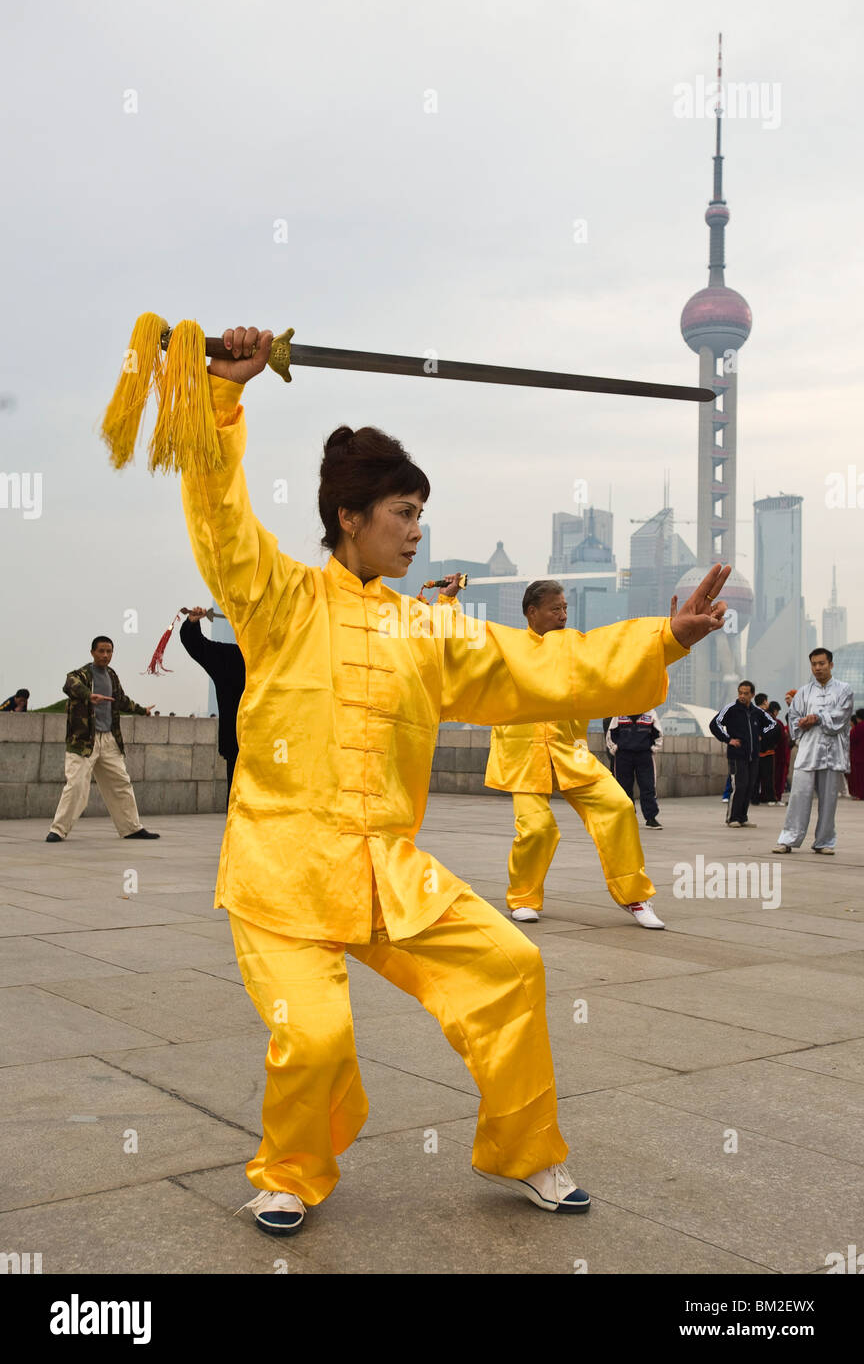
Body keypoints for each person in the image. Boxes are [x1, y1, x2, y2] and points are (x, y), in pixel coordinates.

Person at [179, 323, 730, 1236]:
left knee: (510, 965)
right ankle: (289, 1171)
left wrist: (661, 638)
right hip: (279, 869)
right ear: (350, 518)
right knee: (314, 1036)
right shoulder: (279, 600)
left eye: (419, 512)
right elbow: (219, 515)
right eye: (402, 512)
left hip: (384, 869)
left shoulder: (426, 629)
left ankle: (526, 1150)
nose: (416, 530)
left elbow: (540, 668)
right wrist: (223, 396)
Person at [483, 581, 664, 931]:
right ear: (531, 612)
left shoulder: (577, 648)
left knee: (618, 806)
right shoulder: (506, 647)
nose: (563, 615)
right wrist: (446, 603)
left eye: (565, 608)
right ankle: (523, 897)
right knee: (537, 828)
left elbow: (619, 660)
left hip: (570, 750)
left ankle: (634, 896)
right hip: (522, 752)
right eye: (555, 609)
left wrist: (665, 637)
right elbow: (458, 652)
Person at [45, 637, 159, 842]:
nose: (105, 655)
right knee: (77, 785)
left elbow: (121, 700)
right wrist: (89, 696)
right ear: (92, 653)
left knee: (121, 783)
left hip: (109, 740)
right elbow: (69, 685)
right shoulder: (80, 674)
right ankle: (58, 830)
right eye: (101, 651)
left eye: (109, 651)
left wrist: (142, 711)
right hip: (83, 741)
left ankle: (131, 828)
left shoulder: (112, 675)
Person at [772, 649, 854, 855]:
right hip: (808, 751)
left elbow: (841, 718)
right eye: (814, 664)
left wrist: (816, 717)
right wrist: (802, 722)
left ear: (831, 664)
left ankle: (824, 841)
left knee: (829, 800)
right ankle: (788, 838)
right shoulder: (803, 693)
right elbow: (794, 722)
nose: (818, 668)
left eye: (822, 663)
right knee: (799, 796)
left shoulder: (844, 690)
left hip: (833, 753)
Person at [179, 607, 245, 801]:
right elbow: (196, 644)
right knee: (239, 804)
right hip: (239, 745)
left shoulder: (279, 660)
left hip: (277, 747)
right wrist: (192, 622)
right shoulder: (231, 658)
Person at [709, 681, 776, 827]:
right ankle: (732, 818)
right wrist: (728, 739)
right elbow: (714, 724)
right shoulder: (731, 709)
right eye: (740, 692)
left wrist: (761, 734)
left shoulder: (757, 712)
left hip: (753, 755)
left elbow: (772, 724)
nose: (742, 696)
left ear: (752, 694)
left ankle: (743, 817)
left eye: (746, 693)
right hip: (737, 755)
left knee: (749, 786)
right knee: (739, 785)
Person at [606, 708, 663, 828]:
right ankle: (627, 816)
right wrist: (615, 748)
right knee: (623, 787)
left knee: (648, 786)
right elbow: (611, 732)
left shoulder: (650, 713)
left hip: (644, 755)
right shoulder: (619, 712)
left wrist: (653, 749)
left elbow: (658, 733)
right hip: (623, 755)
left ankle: (651, 818)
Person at [751, 692, 781, 805]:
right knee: (768, 776)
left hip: (755, 751)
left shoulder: (752, 713)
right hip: (767, 750)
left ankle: (754, 798)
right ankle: (770, 798)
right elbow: (776, 729)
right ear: (764, 702)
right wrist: (764, 736)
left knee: (755, 777)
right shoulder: (766, 715)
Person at [770, 700, 790, 804]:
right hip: (780, 756)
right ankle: (776, 797)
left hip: (773, 755)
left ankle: (772, 797)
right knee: (778, 778)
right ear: (775, 711)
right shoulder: (778, 723)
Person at [848, 709, 864, 800]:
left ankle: (860, 795)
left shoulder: (857, 728)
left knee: (859, 777)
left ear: (858, 718)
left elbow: (851, 740)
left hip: (858, 756)